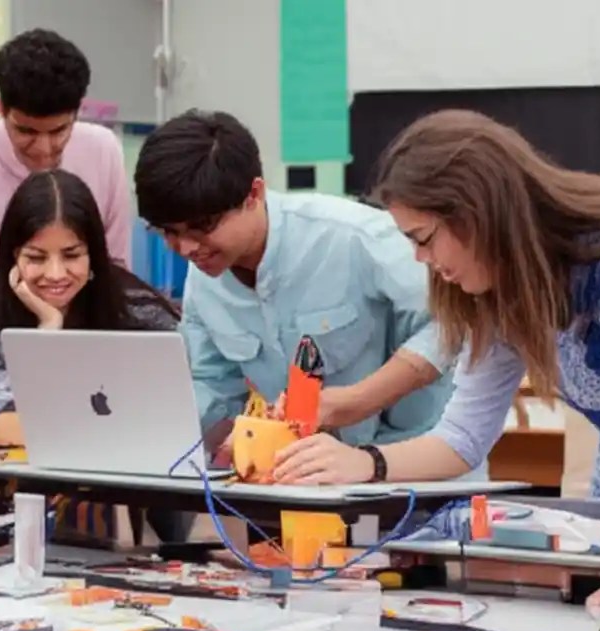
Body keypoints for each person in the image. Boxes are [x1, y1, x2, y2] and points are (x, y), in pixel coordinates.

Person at [269, 109, 600, 498]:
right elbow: (462, 437)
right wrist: (364, 463)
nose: (420, 259)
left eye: (424, 239)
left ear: (476, 211)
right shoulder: (502, 299)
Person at [131, 110, 470, 477]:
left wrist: (353, 403)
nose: (185, 248)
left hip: (420, 473)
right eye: (167, 232)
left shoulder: (353, 237)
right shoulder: (203, 281)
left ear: (254, 193)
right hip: (307, 483)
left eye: (202, 227)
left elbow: (450, 325)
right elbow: (212, 389)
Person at [0, 169, 186, 543]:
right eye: (36, 257)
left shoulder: (140, 312)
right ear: (12, 255)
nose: (55, 273)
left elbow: (174, 423)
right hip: (13, 508)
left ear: (93, 254)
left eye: (72, 255)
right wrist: (48, 330)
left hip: (136, 497)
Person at [0, 29, 130, 264]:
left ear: (77, 112)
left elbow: (116, 265)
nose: (43, 150)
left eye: (58, 132)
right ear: (0, 108)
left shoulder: (103, 152)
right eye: (26, 131)